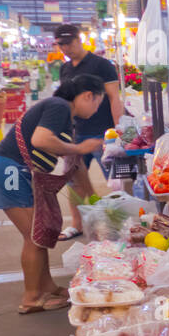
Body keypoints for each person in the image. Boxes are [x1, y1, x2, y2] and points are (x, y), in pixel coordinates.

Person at [0, 74, 106, 313]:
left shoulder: (64, 117)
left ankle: (47, 286)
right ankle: (32, 298)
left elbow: (73, 165)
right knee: (34, 238)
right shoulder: (58, 107)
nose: (97, 109)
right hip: (8, 171)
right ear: (88, 95)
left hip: (10, 171)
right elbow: (42, 140)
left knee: (40, 233)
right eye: (98, 102)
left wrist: (93, 197)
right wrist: (79, 147)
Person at [52, 23, 122, 240]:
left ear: (79, 39)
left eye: (69, 43)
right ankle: (77, 224)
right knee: (73, 180)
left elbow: (114, 98)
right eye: (61, 44)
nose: (65, 48)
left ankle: (123, 223)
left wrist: (118, 130)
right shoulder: (65, 68)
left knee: (115, 180)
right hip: (75, 134)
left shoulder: (102, 65)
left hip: (103, 133)